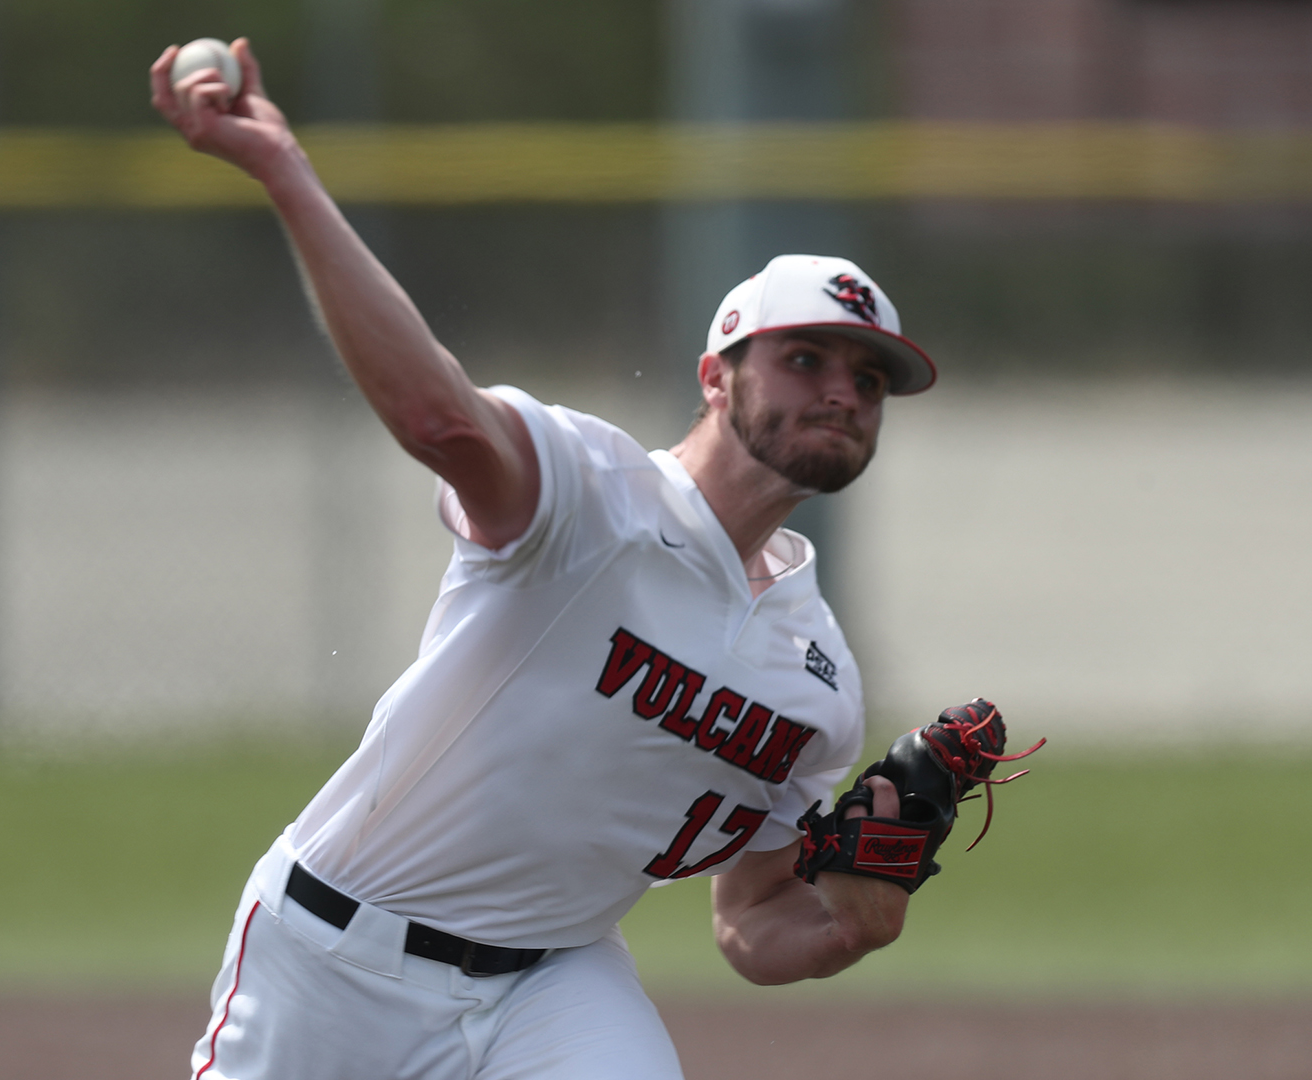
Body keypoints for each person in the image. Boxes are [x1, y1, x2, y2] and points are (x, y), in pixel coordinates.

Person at [152, 39, 939, 1080]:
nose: (843, 392)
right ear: (716, 375)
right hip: (333, 959)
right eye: (805, 359)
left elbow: (750, 918)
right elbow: (439, 417)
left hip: (553, 985)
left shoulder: (818, 682)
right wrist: (286, 173)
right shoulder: (586, 492)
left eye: (870, 380)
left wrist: (851, 927)